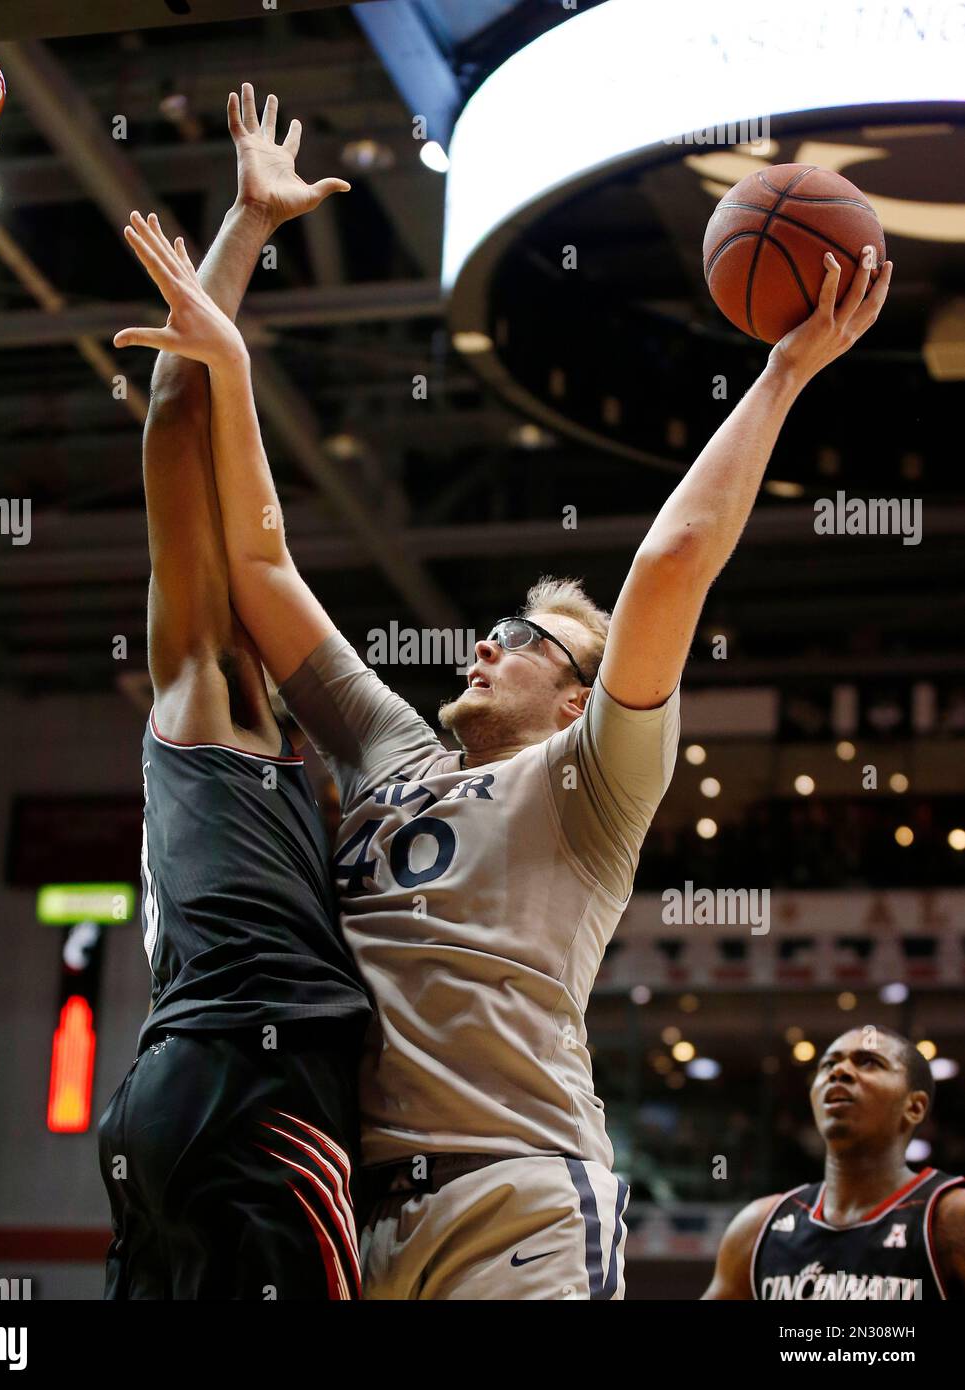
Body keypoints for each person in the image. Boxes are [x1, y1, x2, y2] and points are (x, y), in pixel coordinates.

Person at [113, 83, 892, 1300]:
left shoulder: (595, 784)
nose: (484, 646)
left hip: (516, 1195)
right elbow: (260, 568)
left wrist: (786, 372)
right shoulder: (394, 750)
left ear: (582, 695)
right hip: (356, 1215)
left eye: (524, 638)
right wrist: (235, 347)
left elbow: (671, 562)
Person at [97, 90, 369, 1300]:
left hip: (171, 1090)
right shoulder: (218, 698)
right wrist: (246, 230)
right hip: (252, 1094)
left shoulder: (241, 730)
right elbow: (176, 409)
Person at [703, 1026, 965, 1300]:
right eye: (828, 1064)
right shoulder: (757, 1226)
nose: (839, 1071)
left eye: (869, 1062)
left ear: (914, 1107)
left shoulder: (951, 1217)